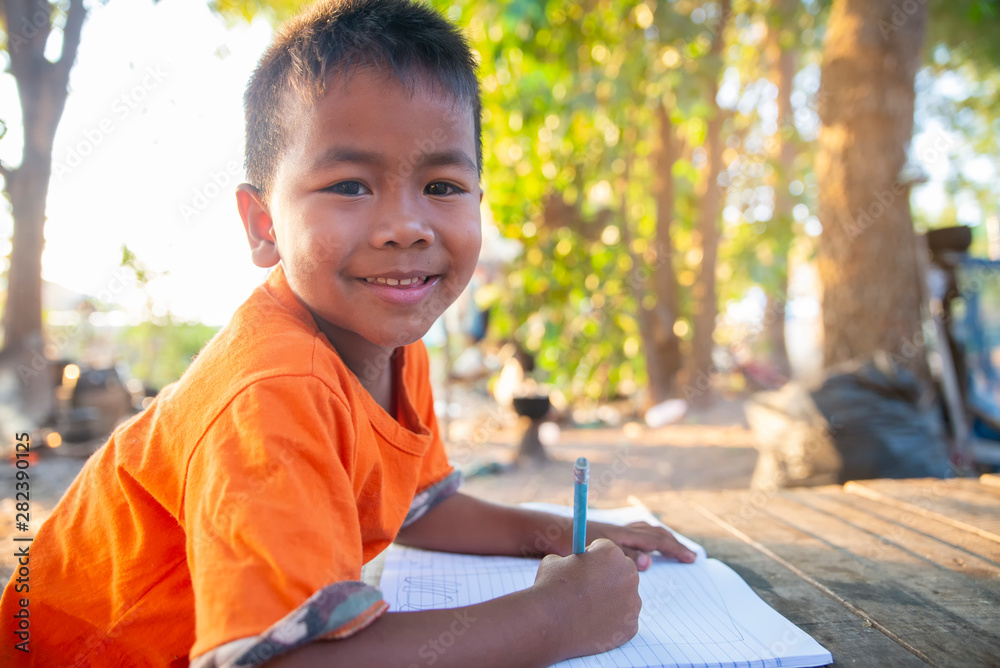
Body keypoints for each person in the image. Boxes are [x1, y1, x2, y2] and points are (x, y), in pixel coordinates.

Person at [0, 1, 696, 665]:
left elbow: (419, 512)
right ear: (262, 224)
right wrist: (558, 619)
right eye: (350, 186)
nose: (406, 226)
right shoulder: (273, 391)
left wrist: (573, 535)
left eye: (444, 187)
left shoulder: (394, 342)